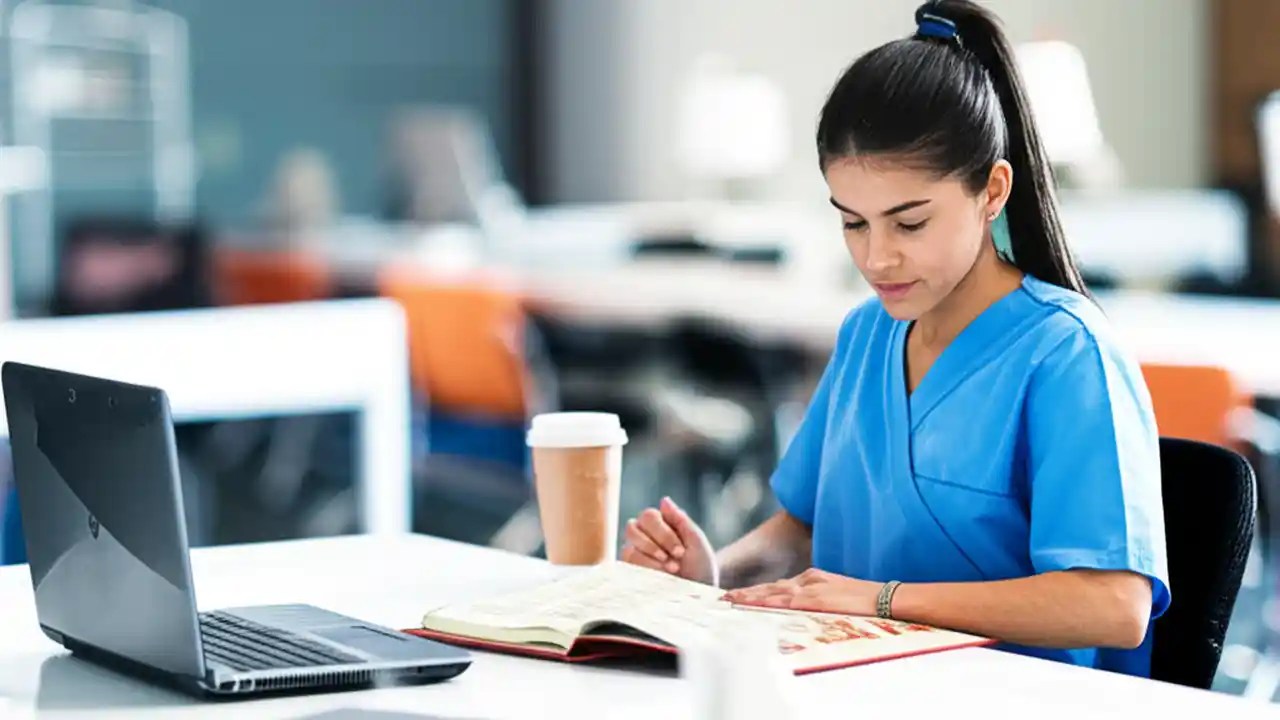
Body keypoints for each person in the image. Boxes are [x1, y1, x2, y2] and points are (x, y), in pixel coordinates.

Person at [621, 0, 1169, 677]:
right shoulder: (866, 336)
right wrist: (713, 570)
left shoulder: (1067, 355)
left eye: (909, 224)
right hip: (856, 689)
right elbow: (801, 532)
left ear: (992, 191)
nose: (877, 259)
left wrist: (884, 601)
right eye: (854, 224)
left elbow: (1113, 606)